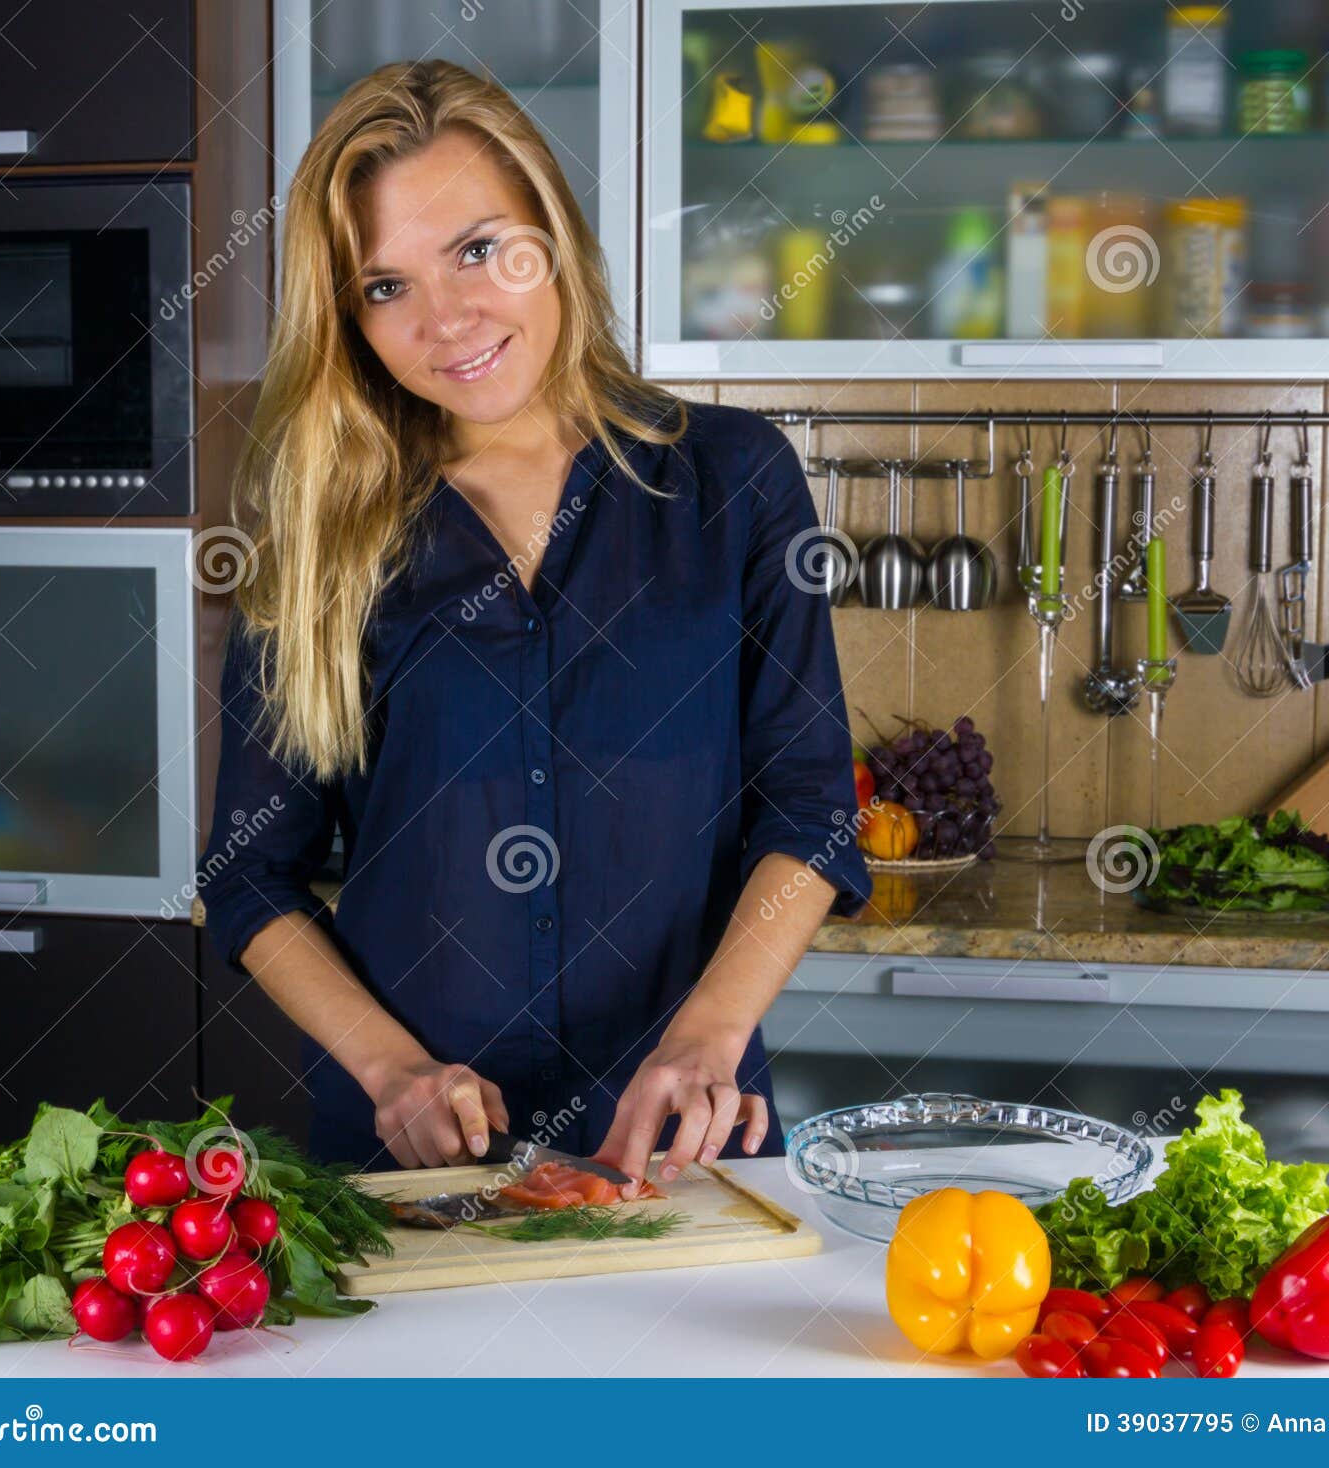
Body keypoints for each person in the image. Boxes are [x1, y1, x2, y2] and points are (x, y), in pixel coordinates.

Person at [197, 59, 870, 1192]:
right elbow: (250, 876)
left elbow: (806, 805)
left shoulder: (732, 479)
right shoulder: (323, 533)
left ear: (550, 232)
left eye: (475, 249)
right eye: (384, 286)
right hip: (412, 1163)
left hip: (688, 1147)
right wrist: (393, 1069)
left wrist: (710, 1032)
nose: (446, 319)